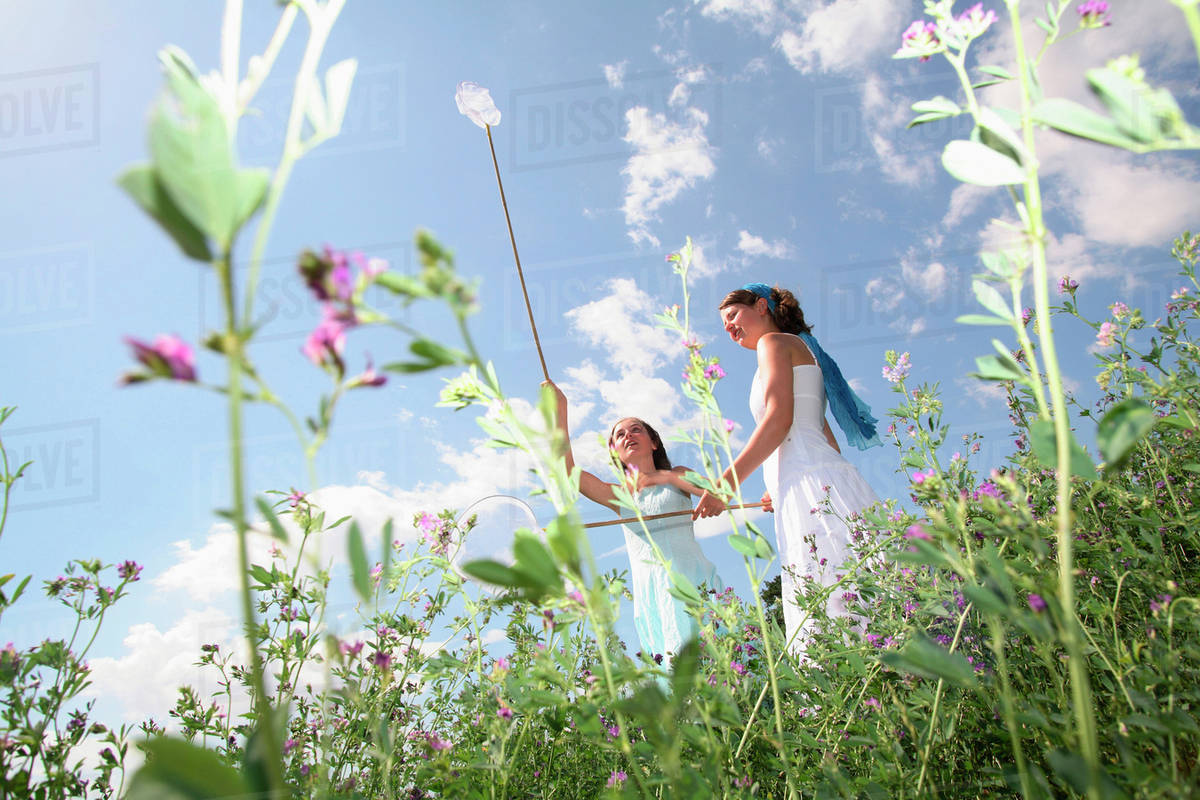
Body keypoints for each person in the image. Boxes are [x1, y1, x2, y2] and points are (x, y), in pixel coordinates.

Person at [693, 283, 880, 650]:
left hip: (812, 485)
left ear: (761, 306)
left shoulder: (773, 343)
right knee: (855, 589)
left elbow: (779, 419)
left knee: (832, 600)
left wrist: (725, 484)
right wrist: (779, 484)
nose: (728, 328)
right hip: (823, 483)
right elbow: (823, 437)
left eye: (732, 316)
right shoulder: (803, 351)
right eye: (724, 324)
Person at [543, 380, 721, 661]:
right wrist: (560, 411)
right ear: (614, 451)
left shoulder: (678, 475)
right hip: (653, 593)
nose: (628, 435)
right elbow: (568, 474)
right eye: (620, 435)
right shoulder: (618, 496)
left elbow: (717, 492)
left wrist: (671, 480)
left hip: (693, 580)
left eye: (636, 429)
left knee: (722, 668)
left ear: (654, 442)